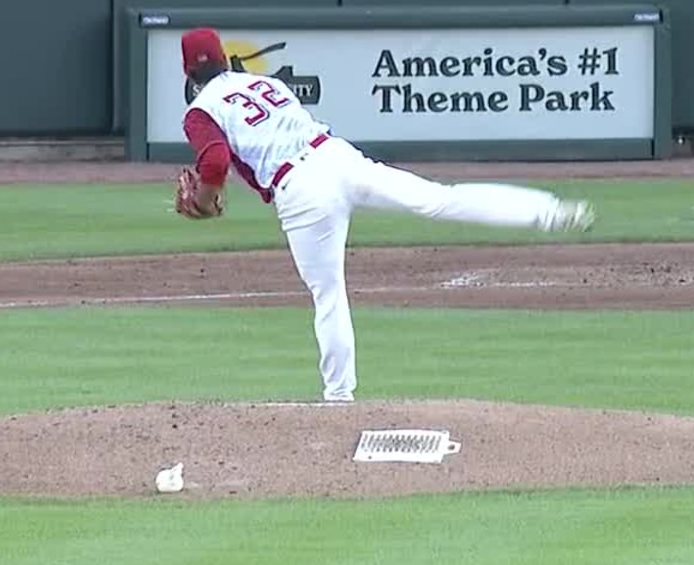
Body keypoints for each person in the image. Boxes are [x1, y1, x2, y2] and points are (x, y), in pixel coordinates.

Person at [174, 27, 596, 403]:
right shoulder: (266, 83)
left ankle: (339, 398)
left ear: (188, 73)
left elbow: (215, 160)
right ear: (226, 58)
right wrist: (214, 188)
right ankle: (549, 211)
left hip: (301, 189)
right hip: (338, 156)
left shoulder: (200, 110)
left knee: (329, 294)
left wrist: (208, 199)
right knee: (439, 199)